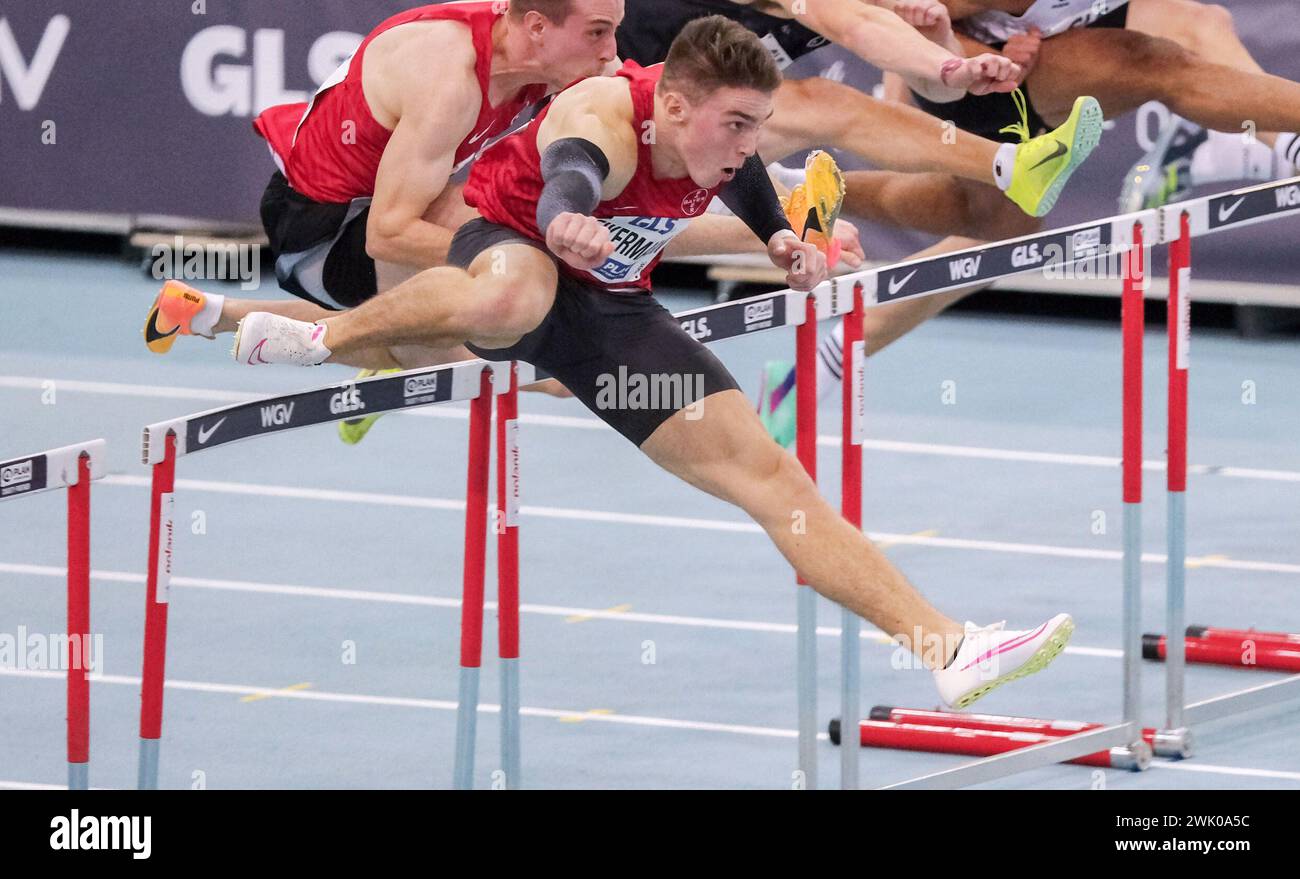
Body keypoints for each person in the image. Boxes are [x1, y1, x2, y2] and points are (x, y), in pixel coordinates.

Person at [216, 18, 1075, 708]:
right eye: (735, 125)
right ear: (668, 106)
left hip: (608, 319)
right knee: (515, 291)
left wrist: (782, 239)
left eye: (755, 126)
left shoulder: (716, 145)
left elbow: (739, 187)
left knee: (772, 476)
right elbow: (571, 173)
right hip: (513, 253)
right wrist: (565, 221)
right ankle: (328, 340)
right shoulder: (598, 119)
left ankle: (947, 646)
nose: (746, 143)